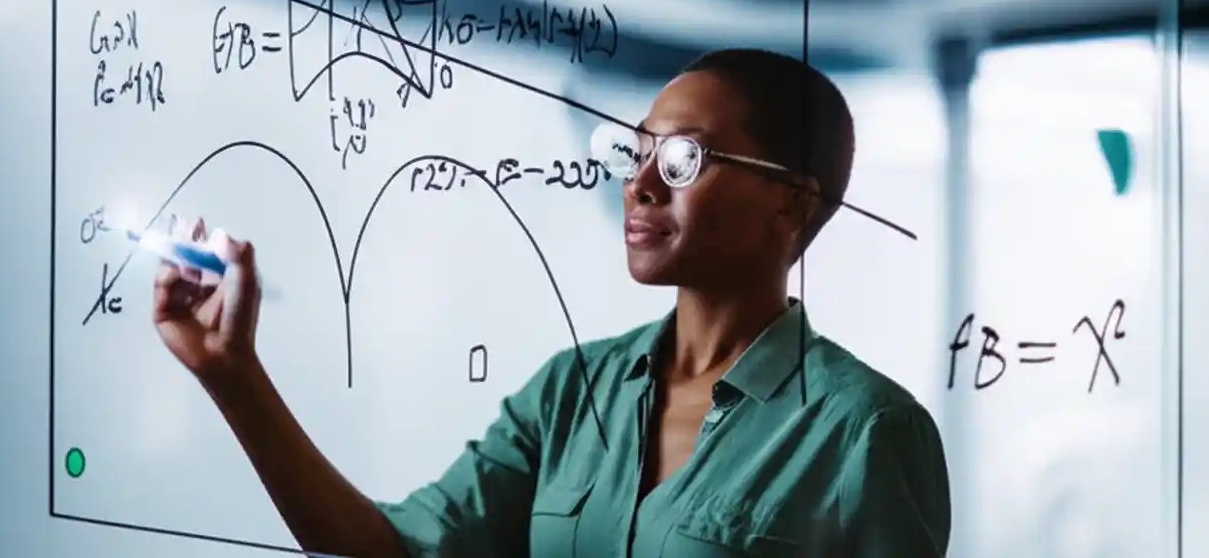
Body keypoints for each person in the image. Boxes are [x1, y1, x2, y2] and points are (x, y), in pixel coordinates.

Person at [153, 48, 951, 557]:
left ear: (789, 202)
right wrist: (233, 374)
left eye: (680, 160)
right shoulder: (572, 395)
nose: (638, 184)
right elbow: (391, 549)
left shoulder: (867, 433)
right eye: (636, 152)